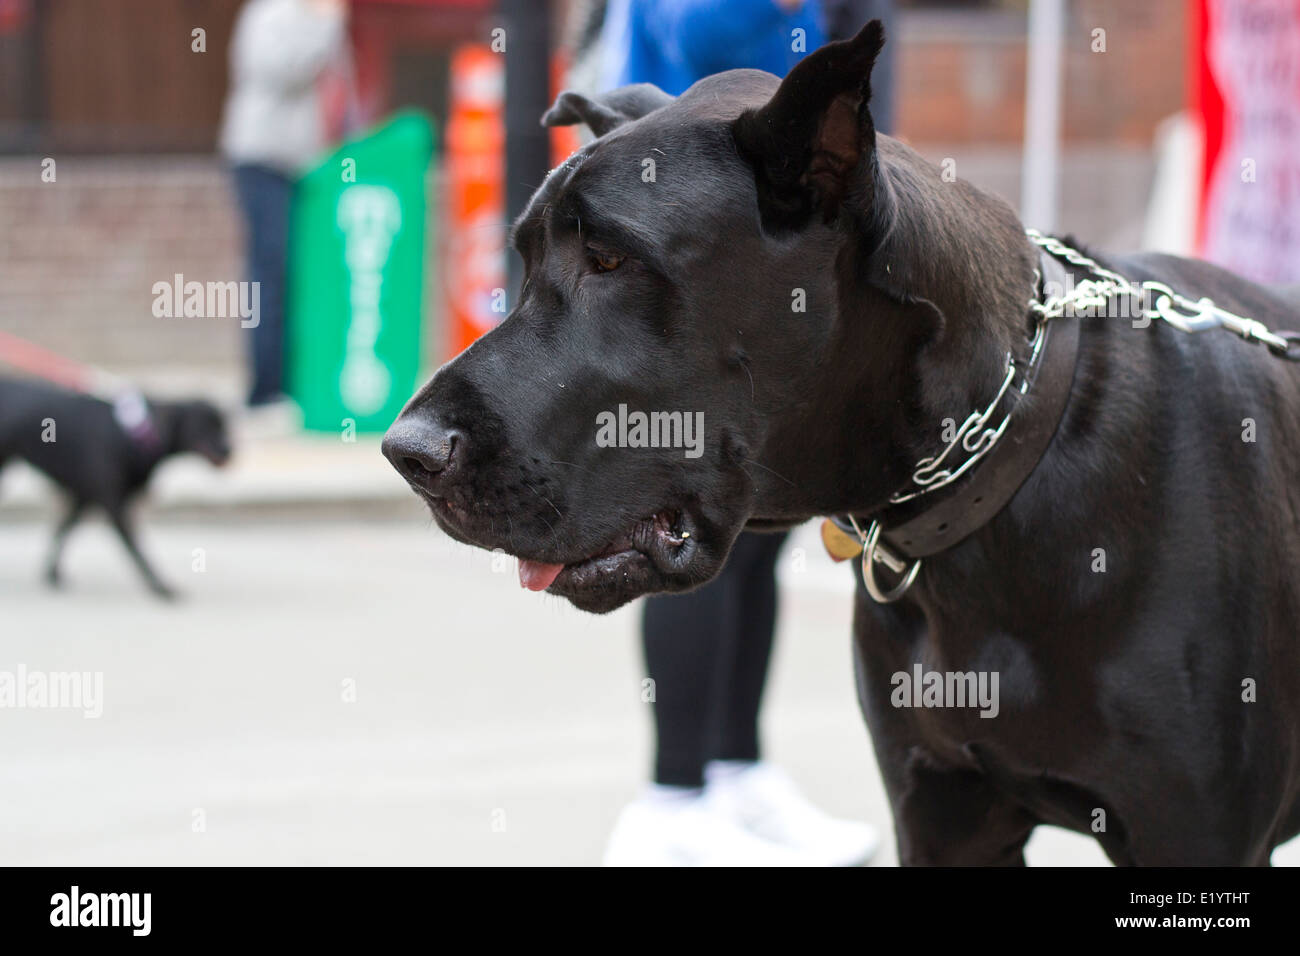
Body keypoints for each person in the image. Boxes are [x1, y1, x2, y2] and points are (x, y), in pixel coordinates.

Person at [593, 0, 895, 867]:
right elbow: (699, 39)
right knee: (694, 522)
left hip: (770, 254)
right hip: (690, 254)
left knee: (761, 531)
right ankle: (671, 801)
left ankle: (735, 773)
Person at [219, 0, 349, 407]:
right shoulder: (271, 14)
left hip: (309, 169)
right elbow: (283, 72)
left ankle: (297, 384)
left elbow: (344, 89)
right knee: (270, 274)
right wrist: (325, 27)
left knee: (300, 275)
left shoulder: (322, 21)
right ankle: (265, 390)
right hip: (264, 162)